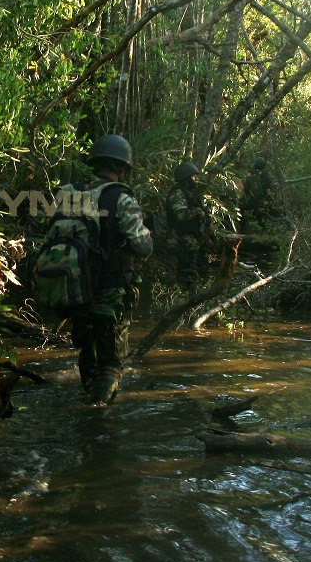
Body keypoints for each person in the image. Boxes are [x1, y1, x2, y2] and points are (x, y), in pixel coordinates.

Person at [71, 134, 153, 405]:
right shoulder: (120, 198)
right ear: (121, 167)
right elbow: (143, 247)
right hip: (110, 292)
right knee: (110, 364)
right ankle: (98, 413)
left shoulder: (73, 194)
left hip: (76, 291)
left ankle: (87, 403)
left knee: (88, 353)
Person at [166, 161, 210, 291]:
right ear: (186, 178)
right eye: (193, 176)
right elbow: (180, 215)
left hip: (192, 240)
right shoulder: (177, 193)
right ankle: (183, 298)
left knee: (198, 271)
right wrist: (197, 212)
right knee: (186, 275)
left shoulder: (191, 194)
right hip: (180, 240)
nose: (196, 179)